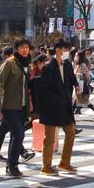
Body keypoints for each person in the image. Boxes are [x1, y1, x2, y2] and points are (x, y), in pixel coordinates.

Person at [36, 40, 78, 175]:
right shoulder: (48, 67)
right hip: (52, 107)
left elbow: (71, 77)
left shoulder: (67, 65)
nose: (68, 53)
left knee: (70, 133)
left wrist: (77, 85)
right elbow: (43, 89)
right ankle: (46, 166)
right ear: (59, 50)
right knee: (50, 138)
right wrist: (56, 99)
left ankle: (64, 162)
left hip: (65, 106)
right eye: (66, 50)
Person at [0, 40, 33, 178]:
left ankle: (10, 165)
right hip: (9, 106)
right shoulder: (10, 63)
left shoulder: (27, 64)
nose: (25, 50)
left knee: (15, 136)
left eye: (27, 47)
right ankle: (12, 165)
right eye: (22, 47)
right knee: (19, 134)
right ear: (16, 49)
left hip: (22, 106)